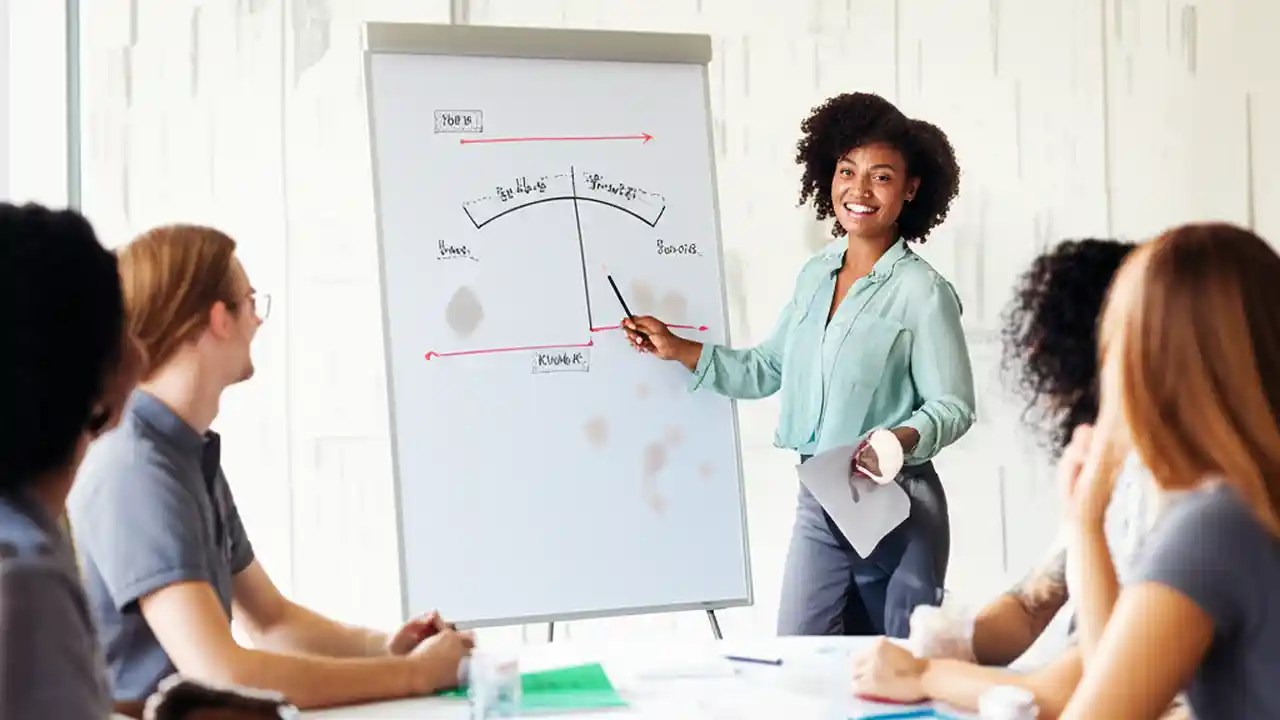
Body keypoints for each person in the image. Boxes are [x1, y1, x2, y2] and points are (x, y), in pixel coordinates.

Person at [69, 224, 473, 709]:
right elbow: (218, 669)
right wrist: (415, 675)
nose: (258, 322)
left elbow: (272, 621)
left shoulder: (186, 451)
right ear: (220, 318)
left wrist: (387, 647)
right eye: (251, 302)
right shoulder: (135, 467)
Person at [623, 92, 975, 637]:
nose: (859, 190)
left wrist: (897, 439)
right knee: (799, 658)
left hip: (899, 508)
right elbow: (767, 367)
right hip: (822, 498)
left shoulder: (922, 292)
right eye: (846, 171)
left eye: (881, 177)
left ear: (910, 189)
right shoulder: (816, 275)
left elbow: (954, 405)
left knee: (897, 679)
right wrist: (677, 348)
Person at [849, 239, 1175, 718]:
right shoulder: (1119, 466)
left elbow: (1085, 691)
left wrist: (923, 675)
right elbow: (1032, 603)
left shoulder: (1172, 491)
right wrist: (937, 647)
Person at [1, 204, 292, 720]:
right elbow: (218, 665)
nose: (142, 351)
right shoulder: (24, 585)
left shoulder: (32, 538)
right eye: (123, 329)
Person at [1058, 223, 1280, 720]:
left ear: (1144, 364)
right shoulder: (1253, 502)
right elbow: (1122, 689)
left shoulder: (1217, 526)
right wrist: (1087, 522)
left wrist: (1087, 516)